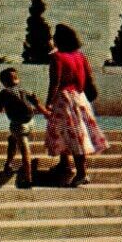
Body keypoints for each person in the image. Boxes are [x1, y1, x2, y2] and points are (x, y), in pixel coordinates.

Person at [44, 23, 109, 186]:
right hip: (80, 98)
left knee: (72, 135)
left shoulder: (57, 57)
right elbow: (89, 78)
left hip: (64, 99)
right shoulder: (80, 56)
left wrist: (48, 102)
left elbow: (55, 82)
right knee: (69, 133)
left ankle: (82, 173)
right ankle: (64, 164)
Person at [0, 67, 47, 189]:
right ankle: (8, 164)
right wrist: (47, 113)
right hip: (30, 122)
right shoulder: (25, 90)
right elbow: (37, 104)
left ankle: (28, 179)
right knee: (12, 139)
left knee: (24, 150)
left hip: (18, 124)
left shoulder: (5, 93)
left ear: (3, 82)